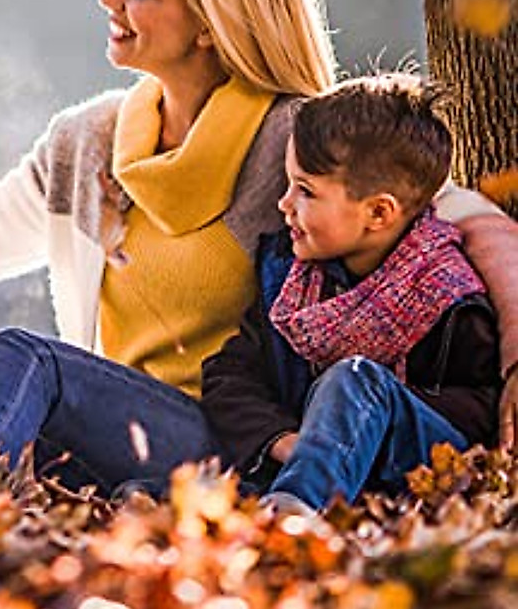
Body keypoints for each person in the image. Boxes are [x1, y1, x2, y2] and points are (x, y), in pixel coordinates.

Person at [0, 0, 518, 495]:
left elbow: (462, 220)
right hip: (110, 428)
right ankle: (68, 499)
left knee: (21, 357)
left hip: (233, 437)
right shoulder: (88, 141)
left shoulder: (290, 141)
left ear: (210, 22)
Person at [201, 74, 498, 514]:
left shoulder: (449, 297)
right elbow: (229, 376)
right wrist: (290, 441)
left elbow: (485, 410)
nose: (284, 205)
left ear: (378, 212)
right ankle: (291, 495)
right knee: (143, 490)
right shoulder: (289, 279)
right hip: (306, 466)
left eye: (305, 191)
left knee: (354, 379)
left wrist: (364, 419)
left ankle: (290, 520)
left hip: (411, 467)